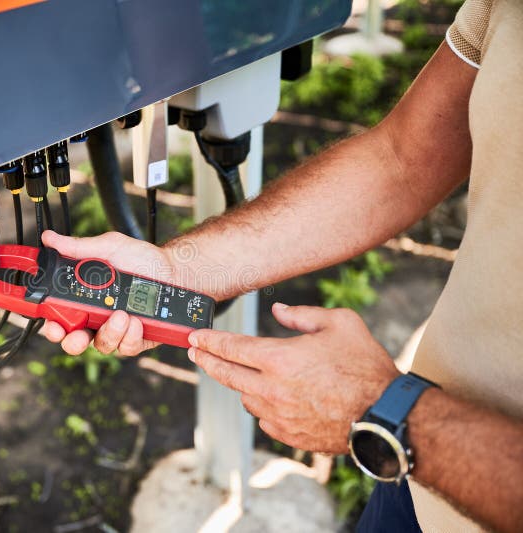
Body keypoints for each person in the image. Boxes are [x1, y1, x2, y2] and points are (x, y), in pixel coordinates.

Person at [42, 0, 522, 531]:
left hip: (415, 443)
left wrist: (390, 412)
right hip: (411, 475)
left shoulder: (395, 419)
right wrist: (178, 269)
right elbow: (402, 159)